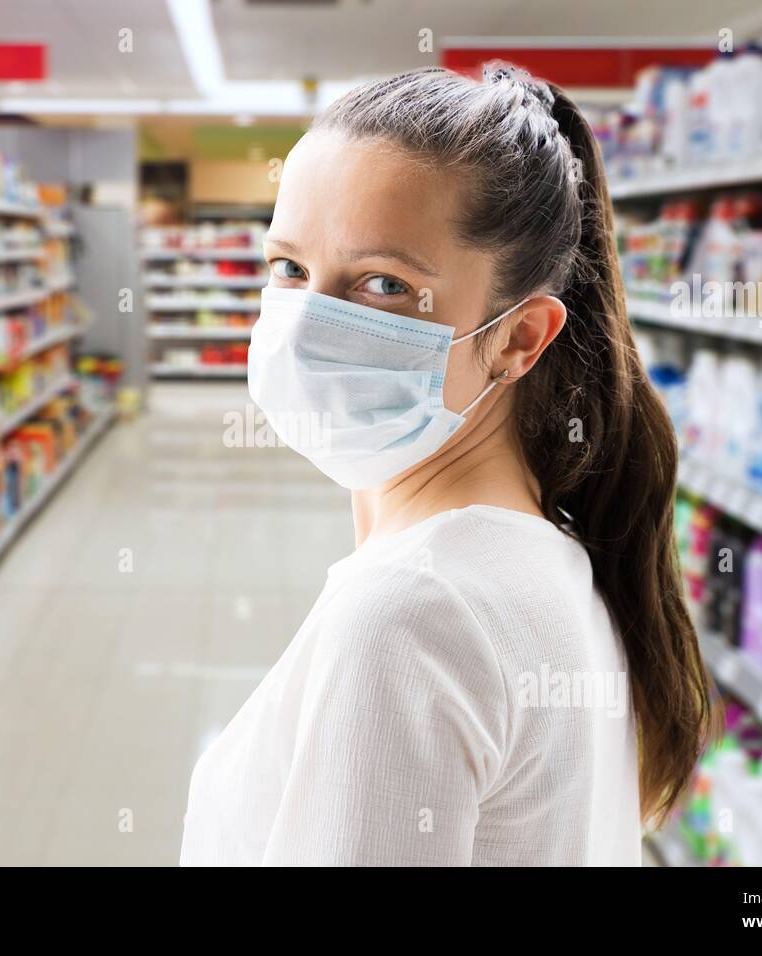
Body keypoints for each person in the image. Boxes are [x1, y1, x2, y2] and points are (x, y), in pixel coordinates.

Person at [180, 64, 717, 866]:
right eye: (289, 269)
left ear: (518, 337)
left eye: (384, 284)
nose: (304, 329)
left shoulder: (409, 614)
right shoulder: (549, 558)